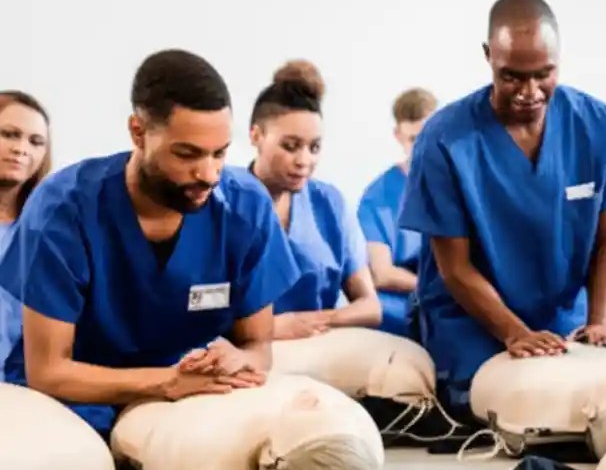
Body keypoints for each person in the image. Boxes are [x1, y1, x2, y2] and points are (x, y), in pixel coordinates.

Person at [0, 50, 301, 437]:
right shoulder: (63, 208)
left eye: (220, 153)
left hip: (184, 394)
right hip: (70, 399)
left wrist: (235, 358)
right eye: (187, 154)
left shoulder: (246, 207)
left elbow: (259, 348)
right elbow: (48, 372)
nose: (209, 174)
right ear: (138, 132)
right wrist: (164, 382)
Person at [399, 0, 606, 418]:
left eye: (544, 74)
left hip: (563, 319)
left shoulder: (594, 123)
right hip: (472, 323)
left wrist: (599, 323)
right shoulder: (446, 139)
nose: (529, 92)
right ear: (488, 57)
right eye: (512, 77)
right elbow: (454, 269)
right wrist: (515, 334)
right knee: (527, 410)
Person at [232, 60, 382, 340]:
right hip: (246, 346)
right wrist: (271, 328)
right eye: (290, 146)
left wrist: (309, 321)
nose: (304, 161)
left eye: (314, 148)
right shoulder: (225, 199)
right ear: (256, 135)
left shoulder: (329, 203)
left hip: (318, 340)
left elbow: (370, 307)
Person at [358, 87, 437, 338]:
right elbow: (382, 274)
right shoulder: (378, 197)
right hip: (402, 308)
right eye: (414, 140)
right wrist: (439, 290)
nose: (422, 147)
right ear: (398, 136)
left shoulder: (458, 185)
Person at [0, 91, 52, 367]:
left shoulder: (50, 232)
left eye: (36, 142)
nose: (21, 149)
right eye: (8, 134)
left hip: (29, 389)